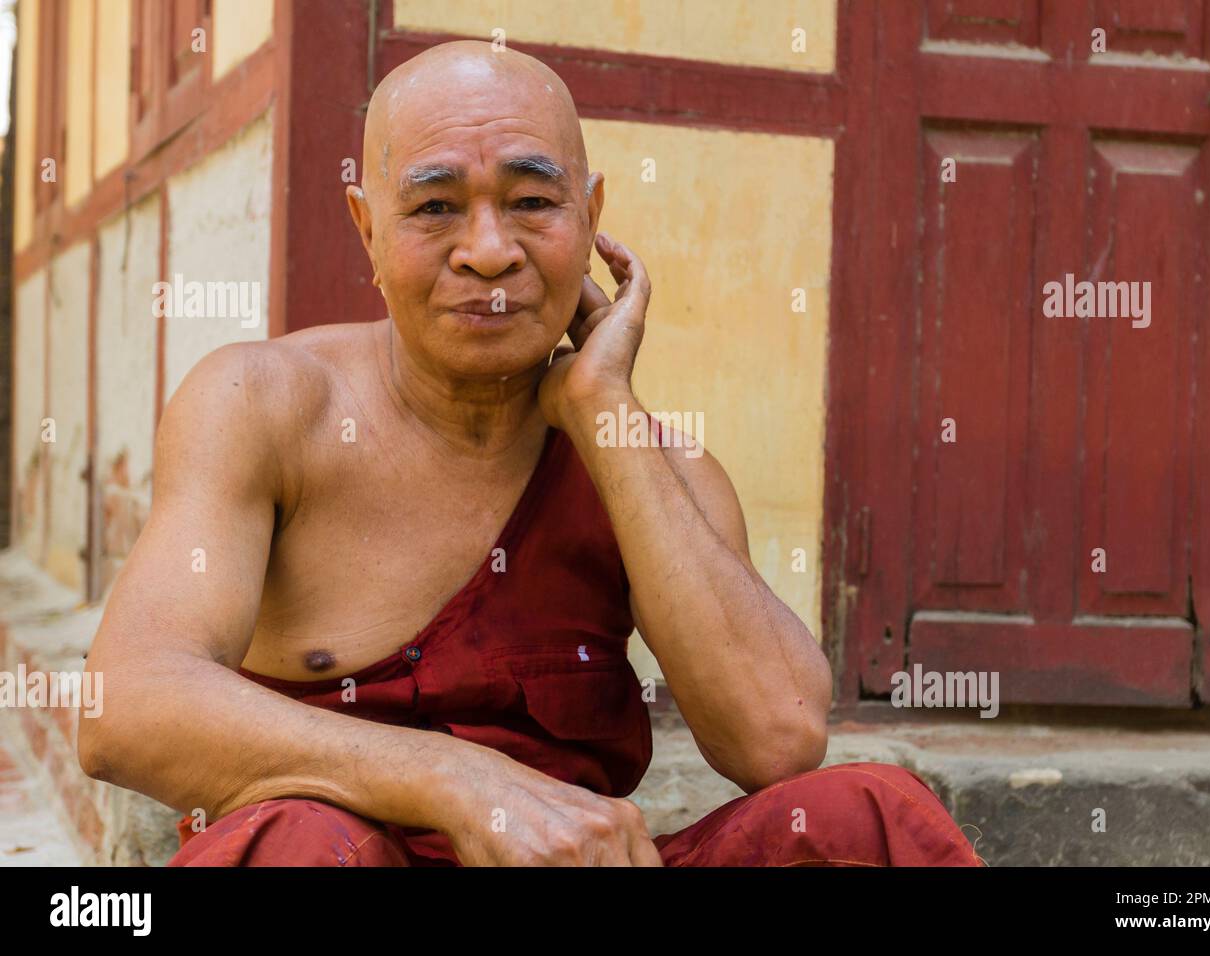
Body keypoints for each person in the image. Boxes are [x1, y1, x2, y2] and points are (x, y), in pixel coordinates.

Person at [79, 40, 979, 867]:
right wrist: (449, 777)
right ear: (367, 228)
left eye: (532, 202)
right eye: (435, 207)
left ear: (590, 219)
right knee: (294, 849)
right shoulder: (264, 404)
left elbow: (776, 739)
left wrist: (603, 412)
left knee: (865, 814)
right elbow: (124, 704)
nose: (488, 251)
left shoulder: (653, 463)